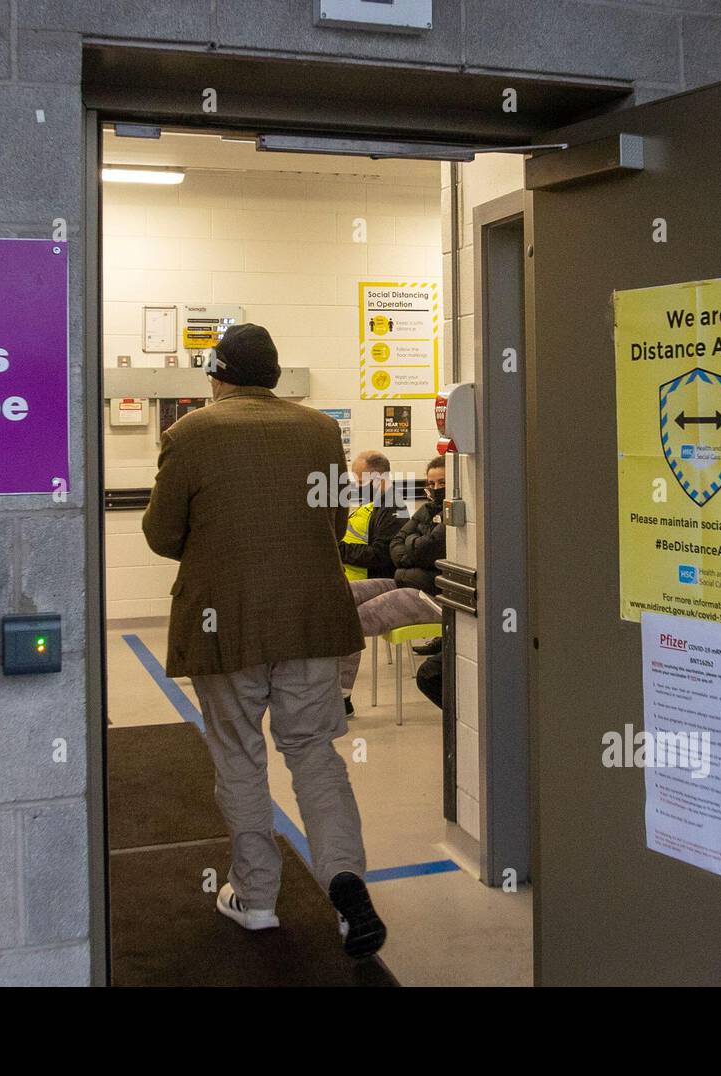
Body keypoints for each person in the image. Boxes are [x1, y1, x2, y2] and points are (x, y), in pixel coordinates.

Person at [141, 323, 387, 960]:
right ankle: (346, 883)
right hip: (310, 619)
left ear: (218, 375)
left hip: (225, 626)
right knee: (315, 754)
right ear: (276, 378)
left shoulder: (189, 433)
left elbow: (163, 535)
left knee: (239, 756)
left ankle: (255, 899)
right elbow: (335, 525)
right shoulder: (321, 430)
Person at [339, 456, 447, 710]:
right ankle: (325, 690)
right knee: (339, 597)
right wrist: (413, 549)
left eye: (442, 482)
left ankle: (340, 700)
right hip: (403, 580)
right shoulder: (424, 510)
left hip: (427, 591)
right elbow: (399, 546)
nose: (435, 487)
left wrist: (411, 549)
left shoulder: (396, 506)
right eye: (431, 482)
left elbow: (399, 552)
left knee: (351, 622)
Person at [338, 450, 404, 583]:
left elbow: (380, 555)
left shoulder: (393, 509)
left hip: (374, 583)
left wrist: (339, 549)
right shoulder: (374, 503)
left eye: (361, 482)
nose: (357, 486)